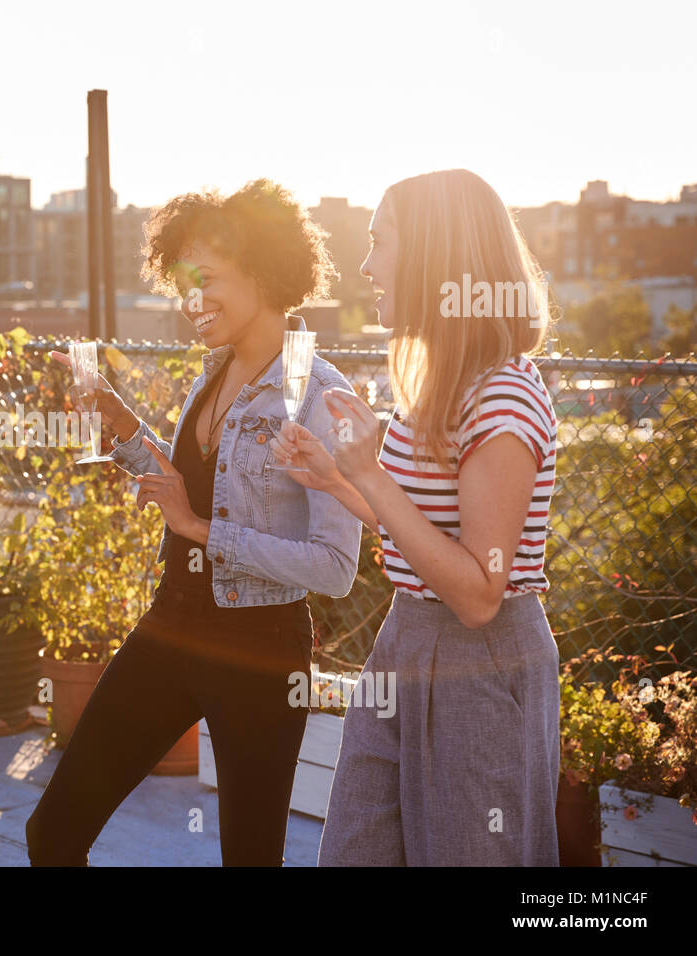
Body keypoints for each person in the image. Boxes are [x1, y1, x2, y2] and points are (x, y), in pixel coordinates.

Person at [25, 180, 363, 866]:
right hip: (172, 624)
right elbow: (194, 491)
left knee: (249, 857)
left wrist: (201, 532)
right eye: (182, 284)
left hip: (260, 650)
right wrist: (120, 422)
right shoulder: (217, 372)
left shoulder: (321, 395)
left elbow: (334, 565)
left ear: (265, 272)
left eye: (207, 280)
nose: (191, 302)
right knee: (52, 833)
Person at [271, 169, 560, 866]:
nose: (365, 266)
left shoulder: (503, 401)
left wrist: (369, 470)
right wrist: (340, 483)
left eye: (380, 244)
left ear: (436, 260)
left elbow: (477, 592)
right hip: (404, 642)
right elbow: (425, 538)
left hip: (479, 665)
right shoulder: (443, 382)